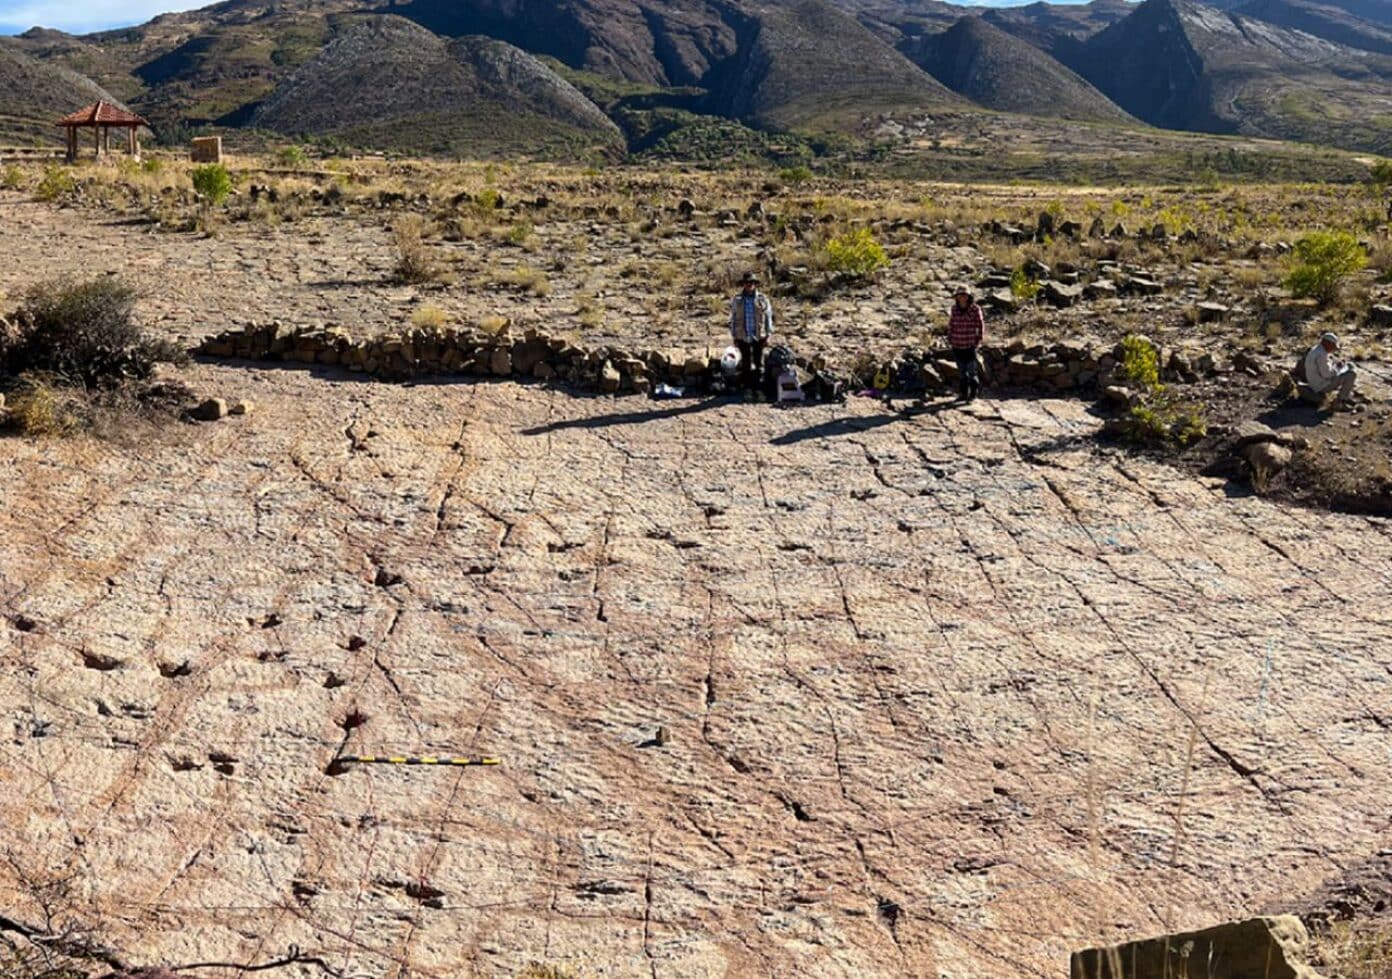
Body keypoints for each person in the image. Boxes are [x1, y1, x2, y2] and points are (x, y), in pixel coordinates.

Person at [730, 272, 773, 396]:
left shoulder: (763, 299)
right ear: (743, 284)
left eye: (752, 283)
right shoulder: (737, 300)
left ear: (755, 284)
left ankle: (759, 389)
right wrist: (734, 336)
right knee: (746, 364)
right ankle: (748, 389)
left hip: (759, 335)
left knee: (759, 363)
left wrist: (768, 334)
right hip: (743, 335)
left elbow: (768, 317)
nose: (749, 285)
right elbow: (732, 318)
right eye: (747, 283)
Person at [947, 285, 984, 401]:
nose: (962, 298)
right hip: (957, 344)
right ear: (957, 297)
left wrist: (978, 338)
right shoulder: (954, 309)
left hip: (970, 344)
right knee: (962, 372)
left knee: (972, 372)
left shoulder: (975, 309)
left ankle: (973, 394)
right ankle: (963, 394)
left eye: (964, 295)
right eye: (960, 295)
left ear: (968, 296)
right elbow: (951, 323)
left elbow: (980, 324)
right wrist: (950, 336)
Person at [1302, 331, 1356, 408]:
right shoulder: (1321, 355)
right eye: (1333, 346)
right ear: (1327, 343)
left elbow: (1328, 364)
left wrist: (1337, 363)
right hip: (1321, 385)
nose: (1334, 349)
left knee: (1350, 366)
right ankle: (1340, 402)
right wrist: (1338, 367)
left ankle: (1346, 395)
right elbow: (1327, 375)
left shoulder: (1317, 349)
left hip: (1317, 382)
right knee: (1351, 374)